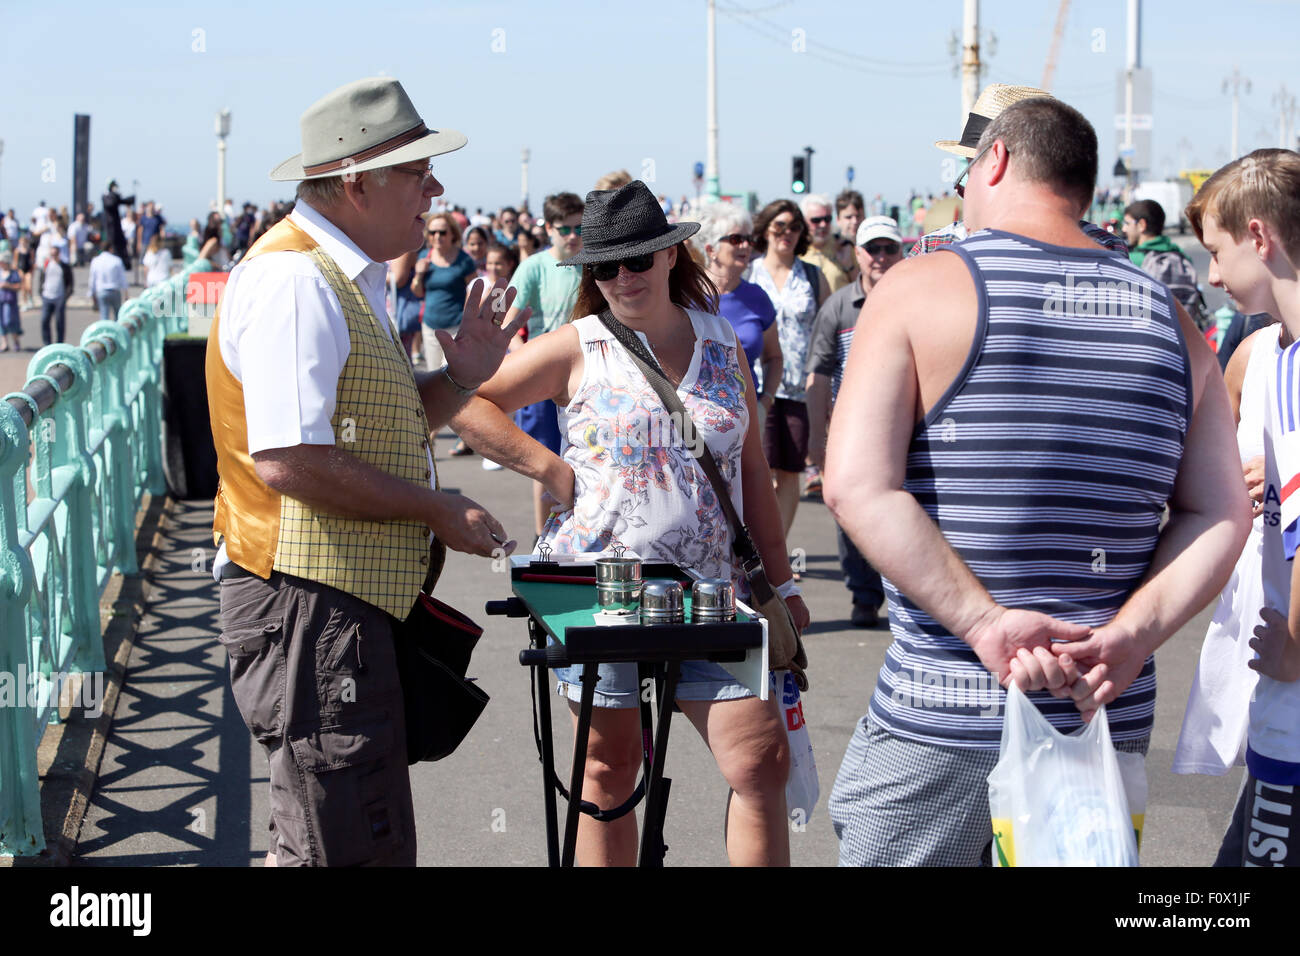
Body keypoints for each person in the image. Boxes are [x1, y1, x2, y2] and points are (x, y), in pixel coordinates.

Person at [822, 96, 1250, 866]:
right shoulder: (1173, 322)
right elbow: (1220, 512)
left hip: (943, 712)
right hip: (1100, 711)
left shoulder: (918, 290)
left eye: (964, 170)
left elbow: (856, 486)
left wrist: (985, 624)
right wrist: (1128, 639)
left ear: (995, 161)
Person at [205, 76, 527, 868]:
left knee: (329, 832)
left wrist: (459, 379)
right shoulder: (296, 281)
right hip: (309, 600)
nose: (435, 188)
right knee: (346, 840)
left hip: (330, 602)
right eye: (417, 171)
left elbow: (366, 429)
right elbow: (288, 459)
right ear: (356, 182)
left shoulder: (335, 275)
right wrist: (434, 509)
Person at [450, 180, 809, 866]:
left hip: (711, 590)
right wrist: (551, 471)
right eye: (604, 267)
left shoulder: (721, 341)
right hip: (598, 587)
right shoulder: (578, 344)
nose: (621, 278)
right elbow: (467, 400)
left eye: (636, 261)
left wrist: (785, 585)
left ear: (673, 257)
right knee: (609, 775)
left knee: (760, 759)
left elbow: (751, 472)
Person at [1184, 149, 1300, 866]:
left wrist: (1295, 643)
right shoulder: (1267, 353)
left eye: (1218, 252)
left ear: (1260, 237)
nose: (1214, 276)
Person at [805, 216, 903, 629]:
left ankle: (902, 598)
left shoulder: (915, 299)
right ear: (858, 254)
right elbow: (819, 372)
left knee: (903, 515)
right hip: (852, 429)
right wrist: (816, 436)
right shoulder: (839, 306)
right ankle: (864, 596)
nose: (880, 257)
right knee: (851, 516)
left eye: (888, 249)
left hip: (906, 429)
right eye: (873, 249)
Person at [912, 84, 1130, 260]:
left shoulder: (936, 250)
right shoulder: (1104, 250)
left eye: (970, 172)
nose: (964, 192)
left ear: (997, 163)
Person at [500, 192, 584, 536]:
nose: (573, 236)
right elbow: (508, 322)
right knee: (546, 461)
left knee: (582, 457)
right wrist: (524, 359)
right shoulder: (534, 266)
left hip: (586, 374)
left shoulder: (594, 264)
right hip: (545, 377)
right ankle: (543, 539)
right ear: (548, 228)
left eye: (579, 227)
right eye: (564, 229)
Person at [746, 199, 829, 541]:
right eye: (779, 226)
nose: (787, 234)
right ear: (765, 229)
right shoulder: (749, 272)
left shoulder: (811, 274)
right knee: (761, 469)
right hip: (756, 385)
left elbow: (827, 331)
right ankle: (758, 543)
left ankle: (776, 546)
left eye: (795, 227)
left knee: (791, 470)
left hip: (798, 385)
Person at [688, 201, 782, 408]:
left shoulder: (758, 298)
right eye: (736, 239)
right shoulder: (685, 296)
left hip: (747, 415)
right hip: (692, 419)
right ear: (711, 249)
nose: (746, 246)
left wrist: (765, 402)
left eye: (749, 239)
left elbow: (774, 357)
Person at [1124, 198, 1206, 326]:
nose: (1124, 229)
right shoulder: (1180, 255)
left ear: (1141, 225)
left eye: (1127, 223)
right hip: (1183, 333)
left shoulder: (1131, 260)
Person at [797, 194, 849, 293]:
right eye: (816, 220)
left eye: (827, 219)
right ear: (804, 221)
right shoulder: (795, 250)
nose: (823, 225)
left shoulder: (844, 246)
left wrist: (849, 265)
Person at [39, 244, 73, 345]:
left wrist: (66, 296)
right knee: (44, 320)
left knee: (59, 322)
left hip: (59, 296)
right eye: (52, 254)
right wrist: (41, 292)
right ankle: (47, 343)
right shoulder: (46, 265)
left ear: (59, 254)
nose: (53, 256)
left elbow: (70, 283)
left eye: (55, 254)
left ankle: (59, 343)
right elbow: (41, 279)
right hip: (47, 296)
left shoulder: (64, 266)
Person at [88, 241, 129, 321]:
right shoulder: (117, 260)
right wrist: (126, 292)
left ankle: (105, 332)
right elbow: (122, 278)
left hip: (101, 290)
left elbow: (92, 279)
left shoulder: (96, 261)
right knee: (118, 316)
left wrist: (91, 293)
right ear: (110, 248)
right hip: (114, 290)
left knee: (104, 316)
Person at [833, 190, 865, 282]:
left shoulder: (871, 249)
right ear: (838, 219)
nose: (854, 222)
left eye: (858, 216)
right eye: (848, 217)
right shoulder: (832, 247)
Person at [0, 252, 22, 352]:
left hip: (9, 301)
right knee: (1, 323)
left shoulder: (13, 273)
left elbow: (19, 286)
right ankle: (4, 344)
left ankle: (16, 341)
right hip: (0, 300)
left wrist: (7, 285)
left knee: (9, 321)